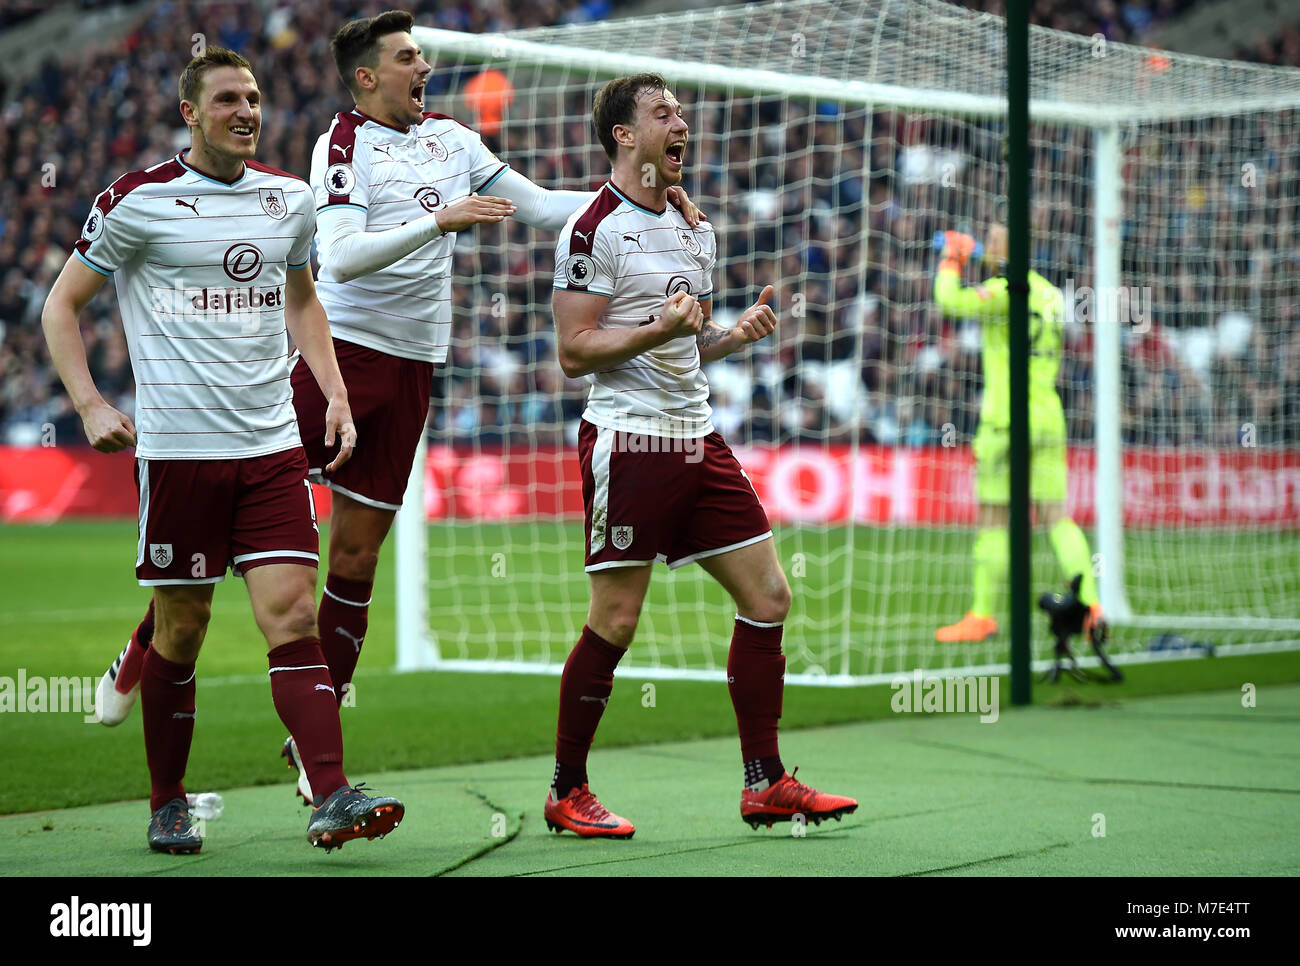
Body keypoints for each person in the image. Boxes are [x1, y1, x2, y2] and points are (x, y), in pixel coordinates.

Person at [91, 10, 703, 809]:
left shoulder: (452, 139)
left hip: (414, 368)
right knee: (219, 528)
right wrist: (438, 221)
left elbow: (547, 209)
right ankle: (146, 649)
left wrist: (637, 196)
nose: (426, 68)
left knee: (355, 559)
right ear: (368, 77)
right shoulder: (341, 148)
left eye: (423, 55)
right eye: (410, 57)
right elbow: (337, 254)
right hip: (338, 356)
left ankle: (315, 758)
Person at [43, 46, 402, 853]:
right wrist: (91, 402)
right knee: (184, 627)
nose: (247, 111)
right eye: (229, 99)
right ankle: (167, 800)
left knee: (291, 613)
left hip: (271, 446)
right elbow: (60, 307)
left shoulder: (289, 200)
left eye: (254, 98)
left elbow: (303, 299)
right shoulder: (136, 202)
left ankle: (333, 795)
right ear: (191, 114)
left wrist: (335, 389)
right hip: (178, 453)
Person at [543, 73, 858, 838]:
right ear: (624, 134)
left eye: (680, 112)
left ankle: (765, 782)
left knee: (769, 599)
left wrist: (729, 337)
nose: (680, 122)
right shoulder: (593, 231)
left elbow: (687, 345)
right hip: (631, 441)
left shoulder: (694, 228)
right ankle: (566, 789)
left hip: (698, 439)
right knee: (615, 620)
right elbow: (574, 352)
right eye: (662, 113)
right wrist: (657, 329)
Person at [932, 225, 1104, 642]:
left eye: (994, 241)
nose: (988, 246)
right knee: (1056, 516)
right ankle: (1093, 607)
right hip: (1047, 413)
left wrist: (952, 259)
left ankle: (982, 615)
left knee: (993, 518)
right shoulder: (1049, 294)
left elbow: (949, 301)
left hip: (1007, 418)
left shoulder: (1005, 290)